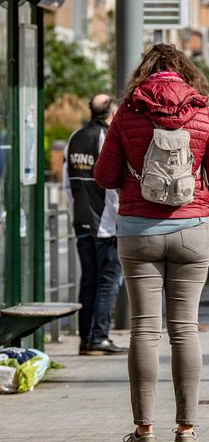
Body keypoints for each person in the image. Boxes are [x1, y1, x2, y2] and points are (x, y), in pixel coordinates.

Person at [94, 44, 209, 442]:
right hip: (192, 230)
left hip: (138, 231)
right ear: (186, 73)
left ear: (144, 73)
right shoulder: (202, 112)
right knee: (185, 329)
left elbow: (104, 176)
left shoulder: (128, 112)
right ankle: (187, 432)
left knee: (144, 329)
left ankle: (144, 433)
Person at [64, 94, 126, 356]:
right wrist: (119, 218)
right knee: (108, 281)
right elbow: (112, 185)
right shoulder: (107, 138)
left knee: (88, 281)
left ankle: (86, 339)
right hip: (106, 224)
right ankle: (99, 337)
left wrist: (75, 215)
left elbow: (68, 185)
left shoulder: (74, 138)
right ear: (111, 113)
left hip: (82, 222)